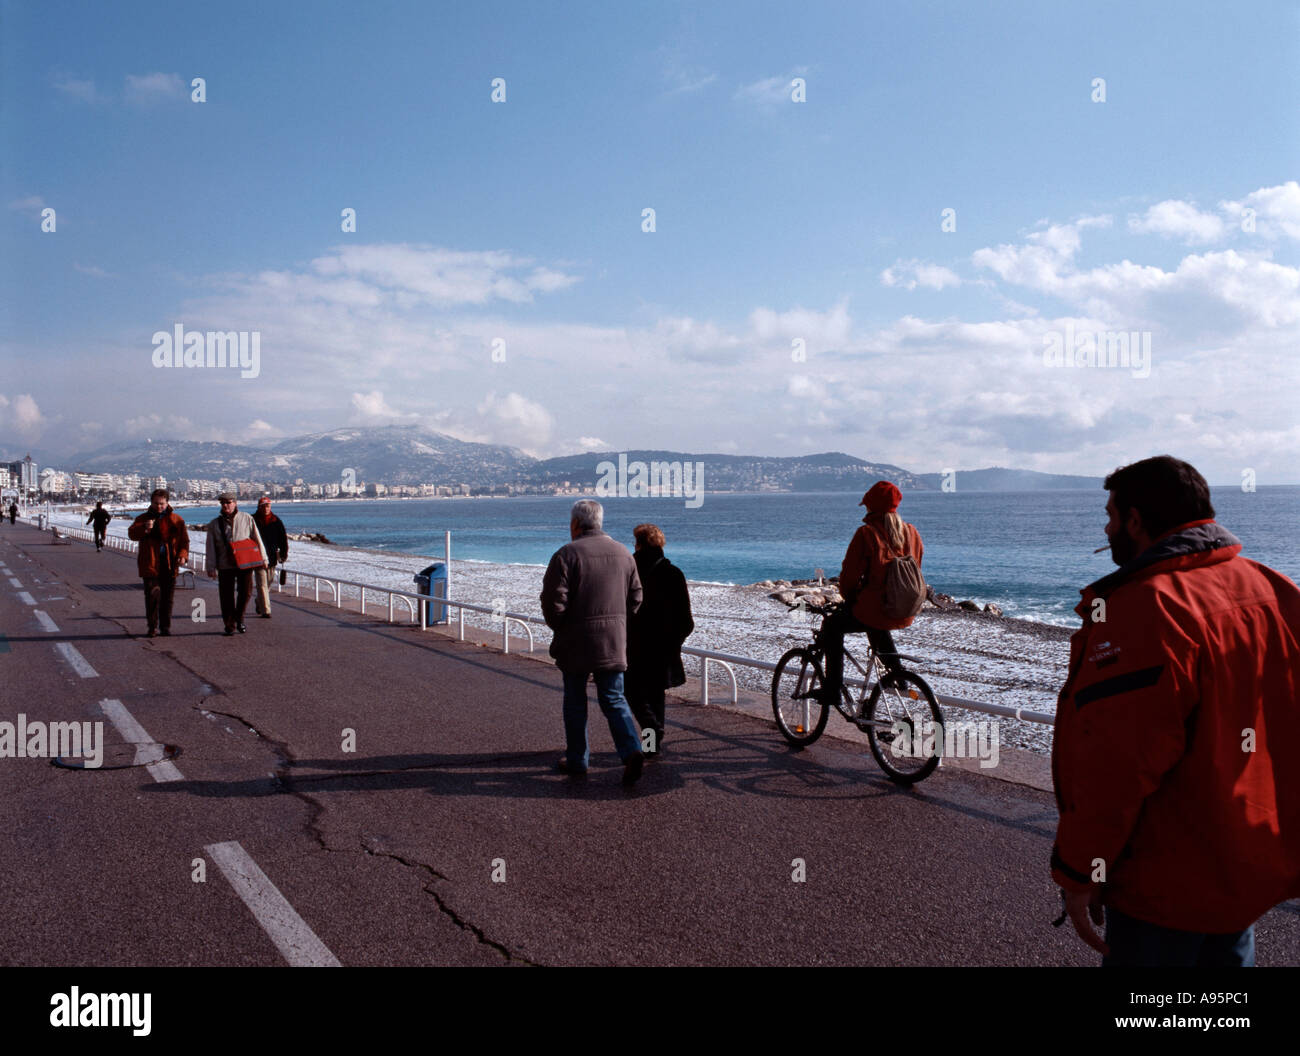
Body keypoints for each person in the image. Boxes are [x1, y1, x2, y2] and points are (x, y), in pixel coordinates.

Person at [1052, 455, 1300, 967]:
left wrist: (1081, 871)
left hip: (1164, 882)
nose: (1106, 527)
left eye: (1111, 515)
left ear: (1137, 521)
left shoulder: (1147, 609)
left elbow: (1117, 764)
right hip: (1247, 861)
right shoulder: (1274, 589)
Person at [540, 499, 645, 785]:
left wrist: (560, 626)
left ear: (575, 524)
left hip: (575, 641)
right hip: (612, 642)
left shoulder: (566, 554)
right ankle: (633, 749)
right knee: (614, 698)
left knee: (575, 701)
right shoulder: (623, 553)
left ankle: (577, 759)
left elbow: (552, 601)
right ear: (599, 522)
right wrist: (620, 624)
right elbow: (636, 597)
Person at [822, 480, 924, 707]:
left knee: (832, 626)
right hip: (903, 609)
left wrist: (850, 598)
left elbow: (848, 577)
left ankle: (832, 691)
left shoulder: (867, 534)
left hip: (874, 609)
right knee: (877, 626)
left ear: (871, 507)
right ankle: (898, 677)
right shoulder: (912, 533)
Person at [625, 523, 694, 757]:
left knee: (631, 691)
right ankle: (651, 747)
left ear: (639, 544)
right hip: (664, 649)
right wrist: (674, 643)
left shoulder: (630, 571)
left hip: (634, 645)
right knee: (655, 697)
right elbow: (686, 620)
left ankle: (651, 734)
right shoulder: (674, 573)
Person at [126, 489, 190, 638]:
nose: (159, 507)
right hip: (150, 564)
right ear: (151, 502)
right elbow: (132, 534)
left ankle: (165, 626)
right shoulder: (142, 518)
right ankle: (152, 627)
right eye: (156, 503)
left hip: (169, 564)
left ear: (167, 502)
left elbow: (184, 541)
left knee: (168, 598)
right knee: (152, 596)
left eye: (162, 503)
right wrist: (145, 528)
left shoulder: (177, 520)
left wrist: (182, 555)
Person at [205, 493, 267, 636]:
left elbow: (256, 538)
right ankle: (230, 624)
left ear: (235, 503)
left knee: (246, 592)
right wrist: (210, 566)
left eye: (229, 502)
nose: (226, 505)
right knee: (226, 596)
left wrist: (263, 558)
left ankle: (239, 617)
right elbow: (211, 547)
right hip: (224, 564)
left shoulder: (247, 518)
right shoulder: (214, 524)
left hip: (244, 563)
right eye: (223, 503)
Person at [251, 496, 289, 618]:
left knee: (267, 584)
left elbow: (283, 539)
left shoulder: (276, 520)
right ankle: (266, 610)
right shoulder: (253, 520)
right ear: (259, 507)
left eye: (268, 506)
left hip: (272, 558)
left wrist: (284, 554)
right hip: (257, 558)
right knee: (262, 585)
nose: (266, 508)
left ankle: (259, 601)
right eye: (264, 506)